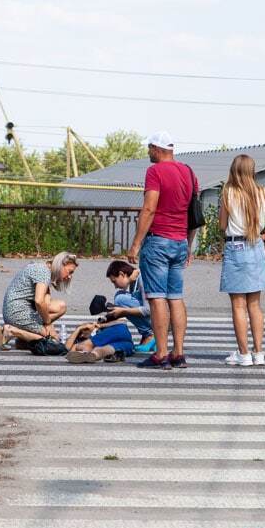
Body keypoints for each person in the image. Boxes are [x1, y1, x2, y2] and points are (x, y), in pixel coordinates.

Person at [125, 131, 199, 370]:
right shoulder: (188, 172)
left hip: (158, 242)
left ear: (157, 149)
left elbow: (149, 209)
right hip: (179, 243)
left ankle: (161, 354)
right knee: (175, 298)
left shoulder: (154, 172)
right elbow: (194, 214)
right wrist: (189, 245)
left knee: (157, 299)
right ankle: (179, 353)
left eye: (149, 148)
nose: (148, 152)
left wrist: (136, 244)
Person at [218, 153, 265, 366]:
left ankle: (243, 354)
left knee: (239, 305)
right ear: (252, 171)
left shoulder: (228, 194)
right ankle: (259, 353)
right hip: (256, 246)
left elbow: (222, 226)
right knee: (255, 305)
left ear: (234, 170)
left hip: (236, 247)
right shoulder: (262, 193)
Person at [0, 252, 79, 349]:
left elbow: (45, 303)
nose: (70, 276)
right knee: (51, 343)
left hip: (16, 309)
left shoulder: (44, 269)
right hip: (17, 312)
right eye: (70, 271)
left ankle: (22, 340)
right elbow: (39, 301)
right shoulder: (43, 272)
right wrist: (48, 324)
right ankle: (10, 331)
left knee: (61, 306)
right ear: (60, 265)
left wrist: (46, 325)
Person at [102, 260, 155, 354]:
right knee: (120, 295)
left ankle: (150, 335)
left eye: (114, 281)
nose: (115, 286)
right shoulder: (134, 281)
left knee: (120, 299)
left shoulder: (142, 279)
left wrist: (123, 311)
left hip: (163, 319)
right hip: (155, 318)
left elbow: (148, 310)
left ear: (122, 274)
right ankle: (148, 335)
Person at [64, 319, 135, 363]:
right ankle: (92, 355)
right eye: (86, 327)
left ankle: (86, 353)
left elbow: (122, 322)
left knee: (82, 346)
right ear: (82, 335)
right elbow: (67, 348)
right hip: (126, 345)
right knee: (101, 350)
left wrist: (100, 325)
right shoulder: (93, 338)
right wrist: (79, 329)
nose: (92, 324)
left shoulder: (100, 330)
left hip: (118, 330)